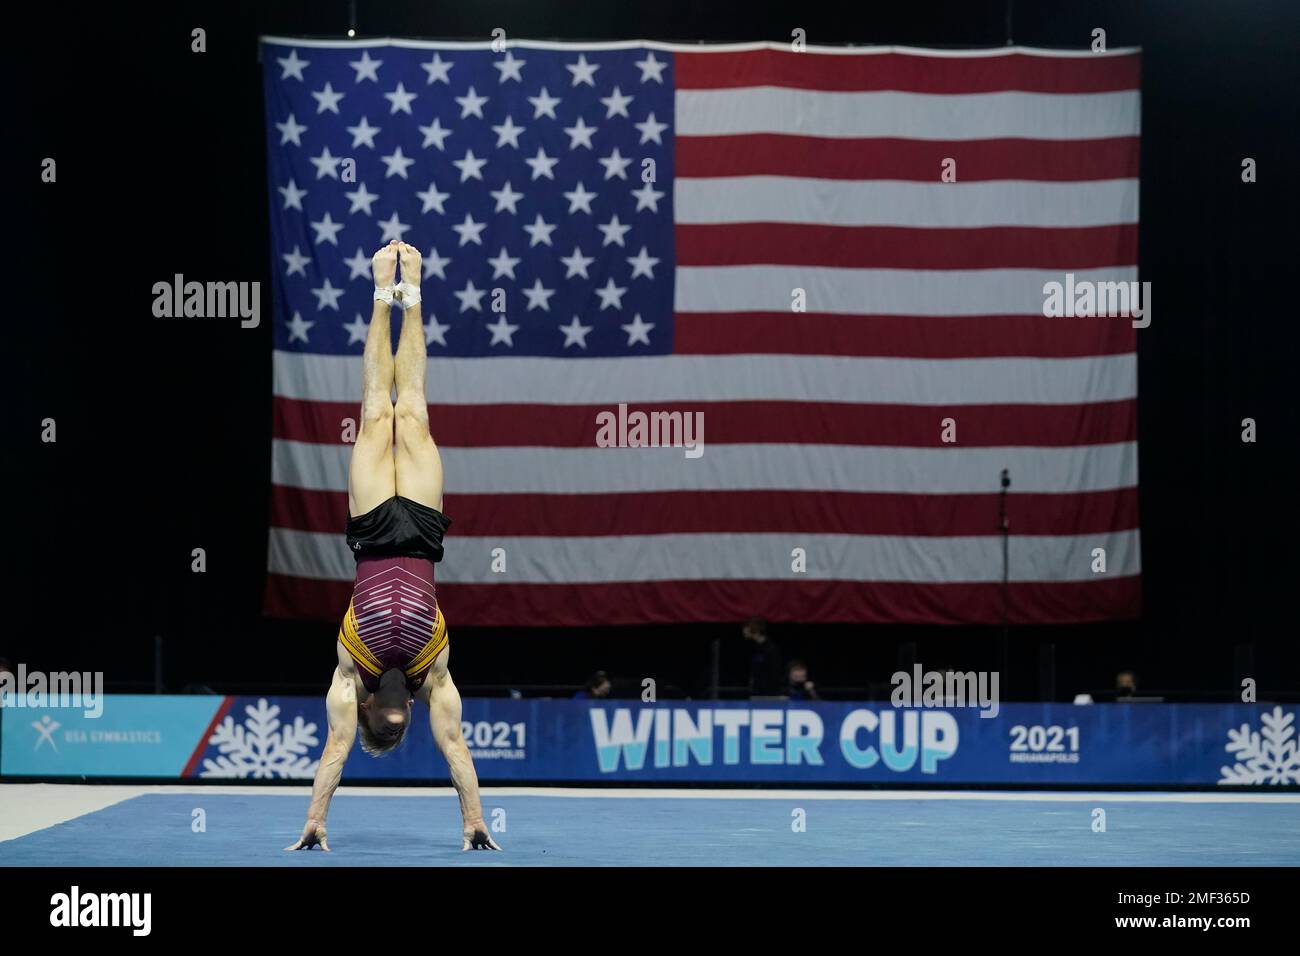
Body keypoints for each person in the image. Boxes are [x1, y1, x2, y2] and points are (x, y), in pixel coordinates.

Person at [286, 241, 500, 853]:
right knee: (418, 417)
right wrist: (474, 820)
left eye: (388, 723)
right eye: (400, 723)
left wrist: (316, 819)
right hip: (425, 538)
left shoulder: (348, 671)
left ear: (369, 716)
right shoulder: (436, 673)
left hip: (374, 534)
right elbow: (455, 746)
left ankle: (383, 294)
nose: (398, 715)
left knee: (378, 411)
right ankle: (416, 296)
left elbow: (333, 749)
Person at [743, 618, 784, 697]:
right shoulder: (753, 647)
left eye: (746, 627)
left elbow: (775, 674)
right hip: (756, 692)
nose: (743, 630)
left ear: (755, 629)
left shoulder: (771, 649)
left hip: (769, 694)